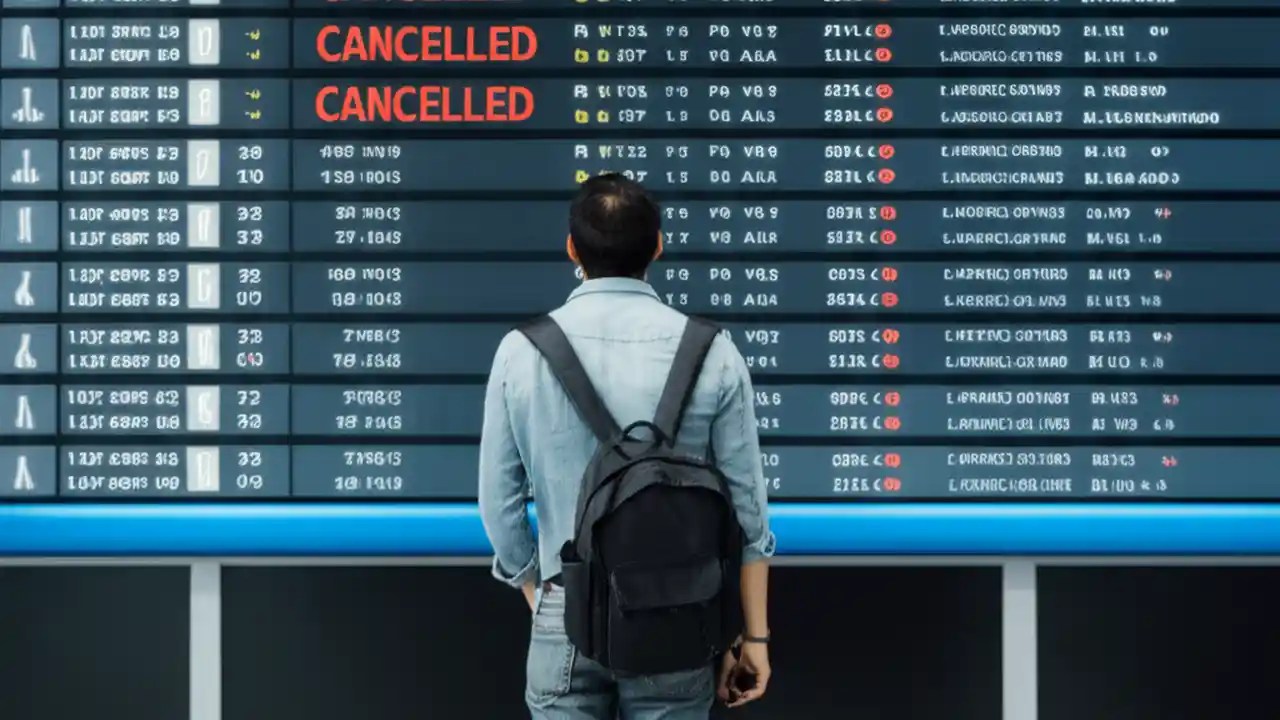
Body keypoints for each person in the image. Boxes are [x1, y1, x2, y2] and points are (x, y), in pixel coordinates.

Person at [479, 173, 776, 718]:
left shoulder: (519, 352)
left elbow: (497, 508)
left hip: (563, 607)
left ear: (572, 249)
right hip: (679, 614)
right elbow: (749, 514)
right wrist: (753, 639)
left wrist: (549, 600)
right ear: (659, 245)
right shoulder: (713, 351)